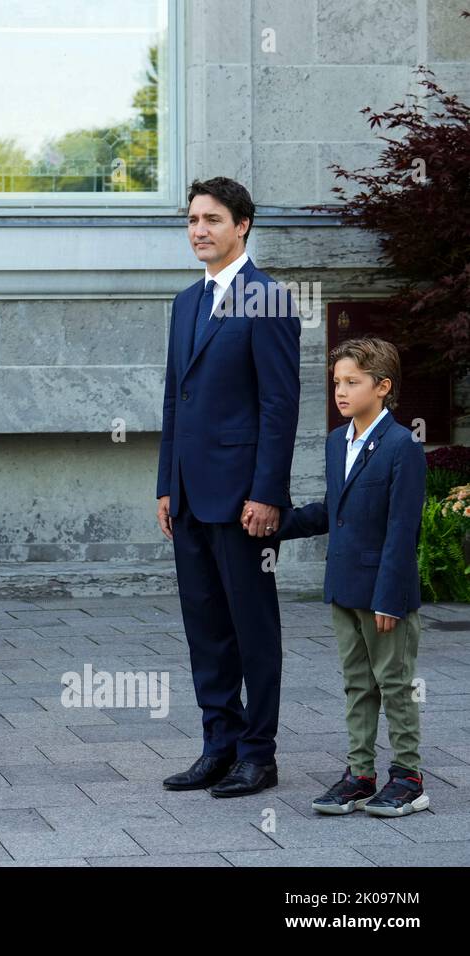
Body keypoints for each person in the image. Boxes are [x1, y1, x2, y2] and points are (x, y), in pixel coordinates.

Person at [156, 177, 301, 798]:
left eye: (211, 219)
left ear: (242, 225)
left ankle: (257, 754)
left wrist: (267, 493)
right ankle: (218, 745)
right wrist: (167, 484)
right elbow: (174, 401)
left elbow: (280, 404)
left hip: (244, 500)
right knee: (206, 627)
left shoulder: (269, 299)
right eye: (192, 220)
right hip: (189, 496)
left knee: (251, 628)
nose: (198, 230)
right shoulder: (186, 302)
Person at [276, 338, 429, 817]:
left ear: (382, 387)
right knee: (357, 684)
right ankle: (360, 775)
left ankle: (408, 777)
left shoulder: (403, 447)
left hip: (385, 593)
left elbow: (403, 531)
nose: (341, 391)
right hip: (343, 585)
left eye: (352, 382)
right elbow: (335, 510)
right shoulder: (336, 442)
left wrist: (389, 598)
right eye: (337, 382)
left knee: (394, 682)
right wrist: (278, 523)